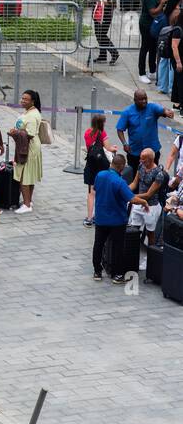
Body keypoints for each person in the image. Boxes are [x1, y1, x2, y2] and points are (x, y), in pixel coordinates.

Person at [91, 154, 146, 282]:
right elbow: (132, 199)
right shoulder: (119, 182)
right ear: (121, 166)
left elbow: (95, 189)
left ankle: (97, 272)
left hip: (101, 218)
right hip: (117, 221)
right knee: (118, 247)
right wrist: (144, 202)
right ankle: (117, 274)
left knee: (98, 244)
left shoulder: (100, 175)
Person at [116, 89, 174, 174]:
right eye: (141, 99)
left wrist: (167, 112)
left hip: (152, 152)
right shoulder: (127, 112)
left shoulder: (152, 108)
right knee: (134, 177)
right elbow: (120, 129)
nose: (144, 101)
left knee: (152, 177)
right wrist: (124, 144)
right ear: (135, 100)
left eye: (145, 98)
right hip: (135, 153)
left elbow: (162, 110)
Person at [9, 90, 44, 214]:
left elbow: (29, 134)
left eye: (26, 99)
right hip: (27, 147)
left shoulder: (33, 115)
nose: (23, 101)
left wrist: (14, 133)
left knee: (24, 176)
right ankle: (28, 200)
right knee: (29, 175)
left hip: (28, 149)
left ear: (32, 101)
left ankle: (27, 204)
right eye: (22, 98)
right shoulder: (30, 112)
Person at [83, 113, 117, 227]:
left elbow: (88, 148)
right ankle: (99, 216)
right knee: (101, 192)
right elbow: (108, 148)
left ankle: (89, 218)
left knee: (91, 192)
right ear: (102, 123)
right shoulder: (102, 133)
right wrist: (114, 148)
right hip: (102, 166)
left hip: (91, 165)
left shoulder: (87, 133)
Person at [139, 0, 165, 82]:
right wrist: (162, 3)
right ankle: (141, 74)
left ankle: (152, 71)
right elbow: (153, 12)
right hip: (146, 25)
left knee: (153, 48)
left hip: (154, 24)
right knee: (145, 47)